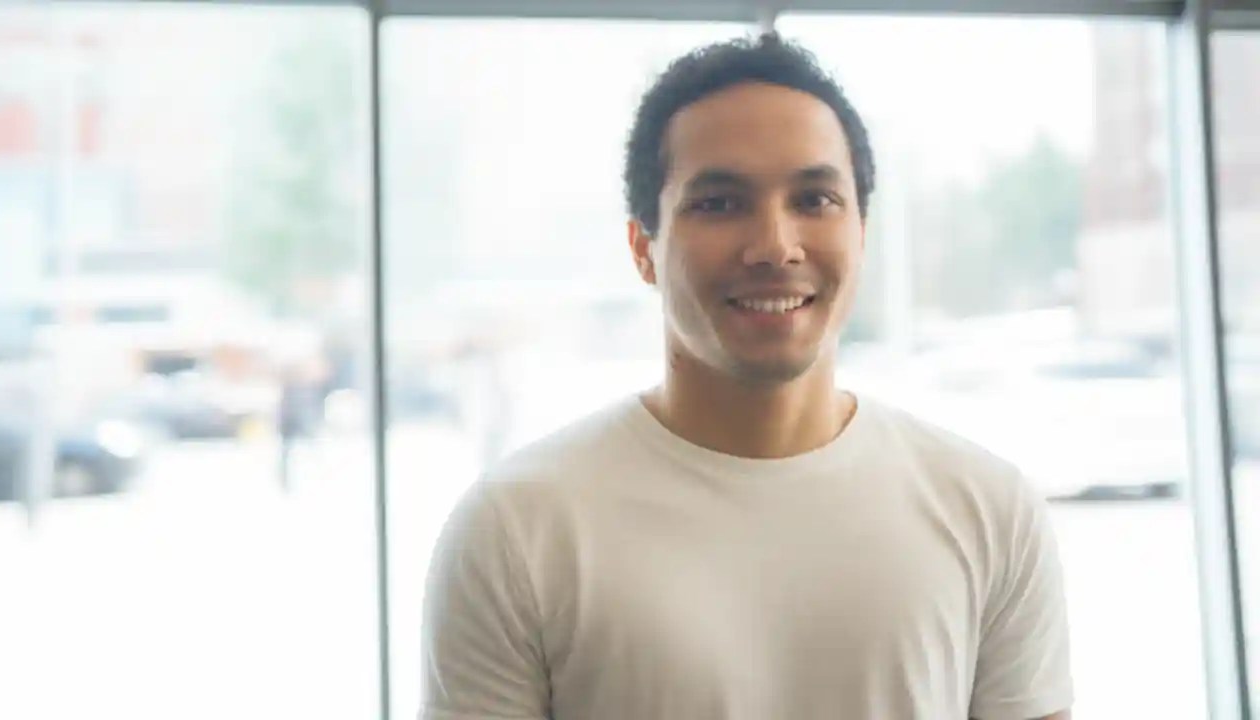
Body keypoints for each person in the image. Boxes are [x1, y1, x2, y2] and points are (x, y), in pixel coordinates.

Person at [419, 33, 1072, 720]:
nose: (774, 246)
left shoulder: (990, 510)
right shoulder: (519, 530)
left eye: (815, 200)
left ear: (862, 230)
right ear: (644, 248)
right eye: (720, 203)